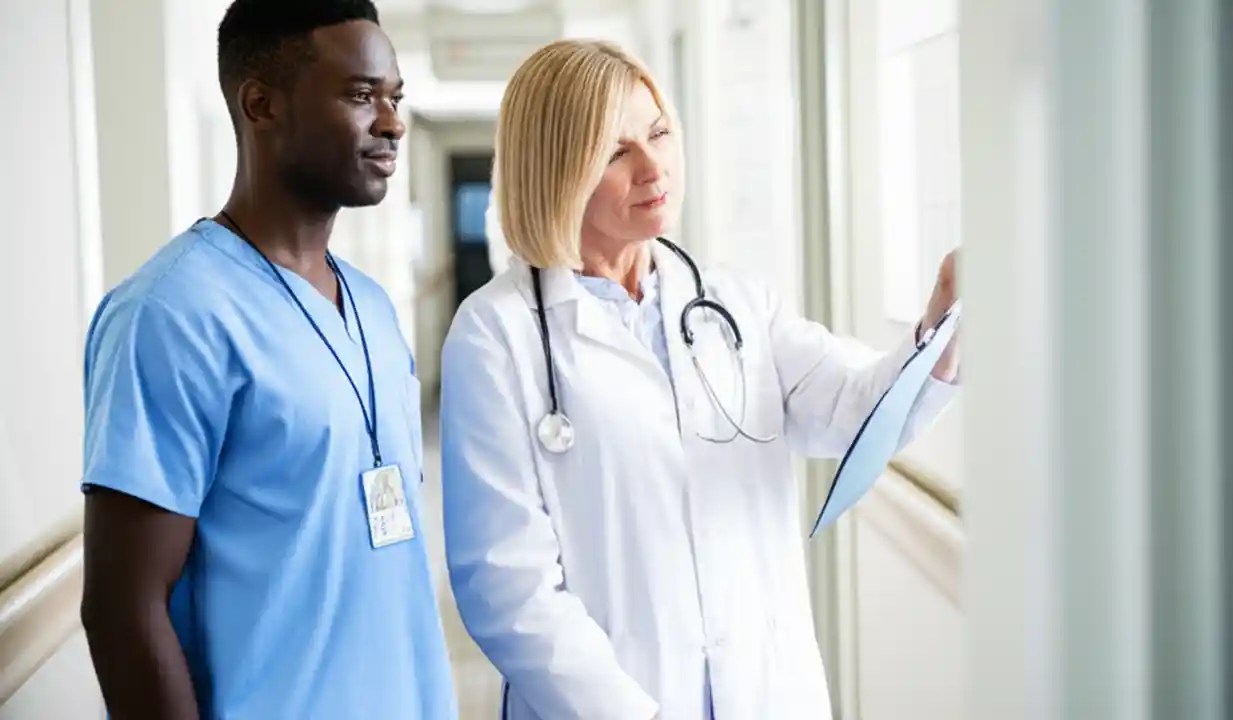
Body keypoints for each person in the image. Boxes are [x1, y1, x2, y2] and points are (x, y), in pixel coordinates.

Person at [439, 39, 960, 720]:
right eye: (614, 150)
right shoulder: (495, 335)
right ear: (557, 168)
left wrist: (941, 328)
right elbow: (508, 588)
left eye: (658, 133)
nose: (654, 167)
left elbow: (856, 408)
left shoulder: (734, 305)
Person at [78, 2, 456, 718]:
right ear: (262, 104)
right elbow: (123, 613)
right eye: (359, 95)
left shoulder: (373, 309)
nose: (391, 121)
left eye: (395, 98)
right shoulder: (172, 314)